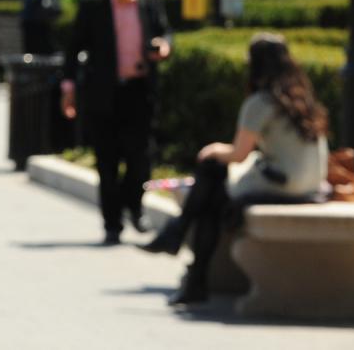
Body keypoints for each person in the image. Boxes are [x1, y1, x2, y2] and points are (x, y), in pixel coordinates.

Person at [141, 34, 329, 306]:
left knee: (211, 175)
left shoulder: (261, 102)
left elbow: (238, 155)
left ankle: (183, 246)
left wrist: (214, 149)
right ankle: (181, 243)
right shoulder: (302, 98)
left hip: (283, 184)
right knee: (213, 189)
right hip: (311, 184)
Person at [61, 0, 172, 245]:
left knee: (140, 158)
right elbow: (74, 49)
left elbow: (164, 31)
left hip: (139, 90)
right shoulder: (93, 4)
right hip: (103, 94)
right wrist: (68, 89)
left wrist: (164, 46)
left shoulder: (149, 0)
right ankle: (112, 223)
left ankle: (134, 207)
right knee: (107, 161)